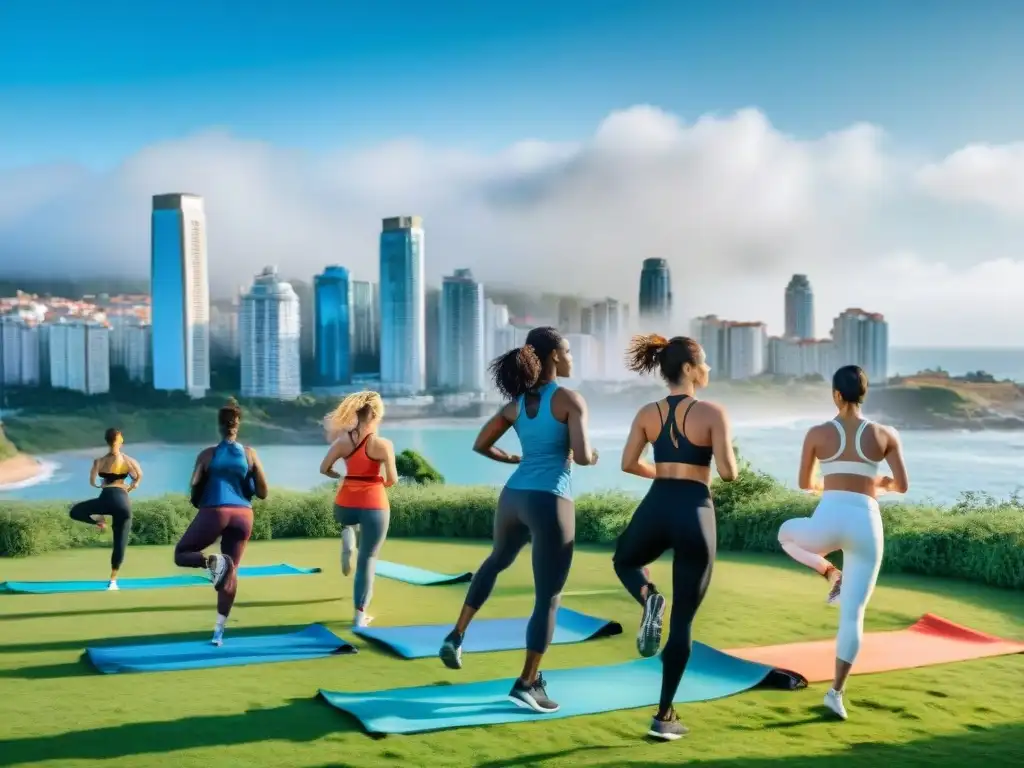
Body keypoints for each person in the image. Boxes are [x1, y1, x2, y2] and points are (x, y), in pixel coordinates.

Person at [438, 326, 598, 714]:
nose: (573, 357)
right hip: (550, 501)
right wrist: (592, 456)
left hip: (514, 498)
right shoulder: (569, 400)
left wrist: (513, 459)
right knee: (549, 597)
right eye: (570, 350)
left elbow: (481, 444)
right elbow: (580, 454)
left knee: (496, 560)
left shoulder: (516, 403)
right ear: (556, 356)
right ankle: (527, 682)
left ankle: (457, 634)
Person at [614, 334, 738, 741]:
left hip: (657, 505)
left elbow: (629, 463)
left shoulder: (647, 412)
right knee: (682, 621)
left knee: (626, 560)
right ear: (688, 368)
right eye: (703, 362)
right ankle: (664, 716)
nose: (707, 369)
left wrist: (665, 471)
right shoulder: (713, 412)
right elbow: (729, 472)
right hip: (695, 512)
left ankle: (649, 598)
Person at [777, 364, 908, 721]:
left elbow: (806, 482)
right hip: (867, 521)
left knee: (785, 534)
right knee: (853, 616)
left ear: (836, 394)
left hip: (829, 517)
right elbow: (902, 485)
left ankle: (830, 571)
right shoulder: (885, 434)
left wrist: (828, 482)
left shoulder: (818, 432)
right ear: (864, 394)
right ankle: (836, 693)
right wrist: (878, 483)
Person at [174, 403, 269, 646]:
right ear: (238, 425)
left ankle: (211, 561)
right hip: (243, 516)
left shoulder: (207, 455)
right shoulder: (250, 454)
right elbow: (263, 492)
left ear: (219, 425)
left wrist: (203, 505)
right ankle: (219, 632)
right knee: (231, 573)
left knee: (182, 554)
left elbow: (194, 489)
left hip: (215, 511)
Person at [319, 390, 398, 628]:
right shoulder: (383, 445)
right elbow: (392, 479)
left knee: (348, 522)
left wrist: (339, 475)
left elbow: (324, 468)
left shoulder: (342, 441)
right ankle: (359, 616)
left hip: (345, 504)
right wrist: (376, 484)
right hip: (374, 504)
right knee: (368, 559)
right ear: (376, 414)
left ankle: (348, 534)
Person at [68, 428, 143, 591]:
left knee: (75, 511)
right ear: (118, 440)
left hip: (106, 498)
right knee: (120, 542)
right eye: (121, 436)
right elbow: (139, 476)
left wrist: (103, 484)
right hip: (123, 502)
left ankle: (98, 520)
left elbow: (93, 482)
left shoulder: (99, 461)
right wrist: (130, 487)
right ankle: (113, 581)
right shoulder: (128, 461)